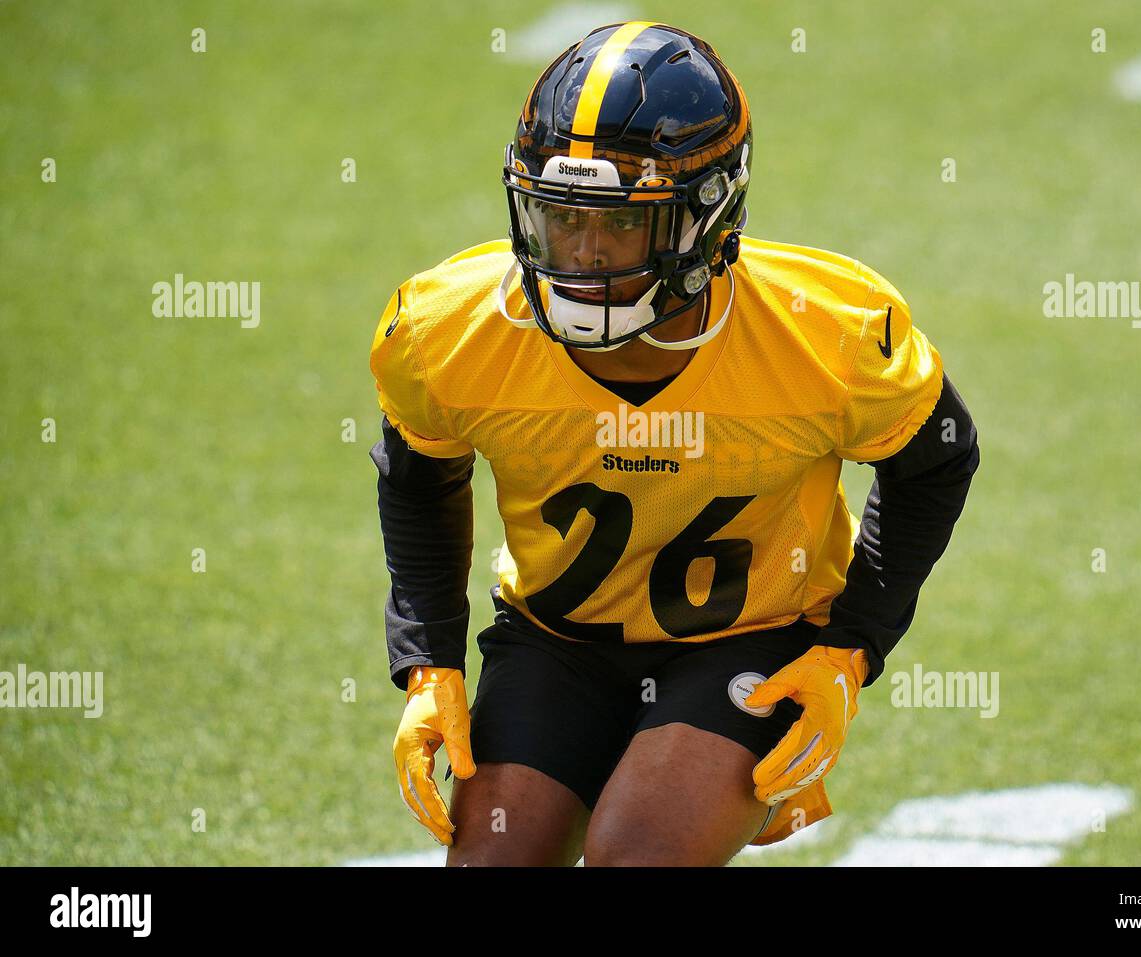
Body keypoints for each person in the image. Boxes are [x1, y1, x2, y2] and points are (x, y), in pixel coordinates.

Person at [370, 20, 979, 866]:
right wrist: (428, 661)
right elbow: (418, 476)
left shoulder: (820, 332)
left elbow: (938, 459)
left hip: (748, 637)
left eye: (621, 226)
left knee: (639, 857)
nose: (582, 254)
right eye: (560, 216)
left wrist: (851, 645)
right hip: (556, 637)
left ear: (710, 213)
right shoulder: (455, 326)